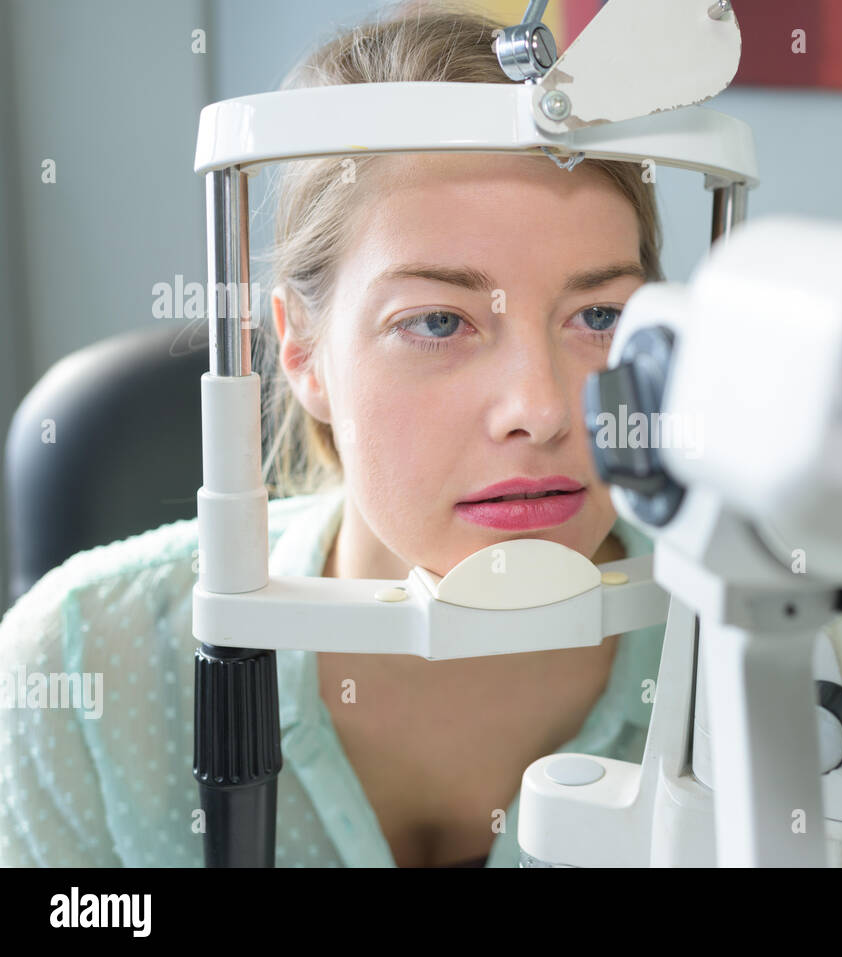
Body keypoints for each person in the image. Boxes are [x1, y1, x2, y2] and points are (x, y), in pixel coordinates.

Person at [0, 0, 667, 867]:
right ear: (302, 352)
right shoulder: (76, 672)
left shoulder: (758, 651)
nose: (539, 409)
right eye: (437, 321)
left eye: (600, 315)